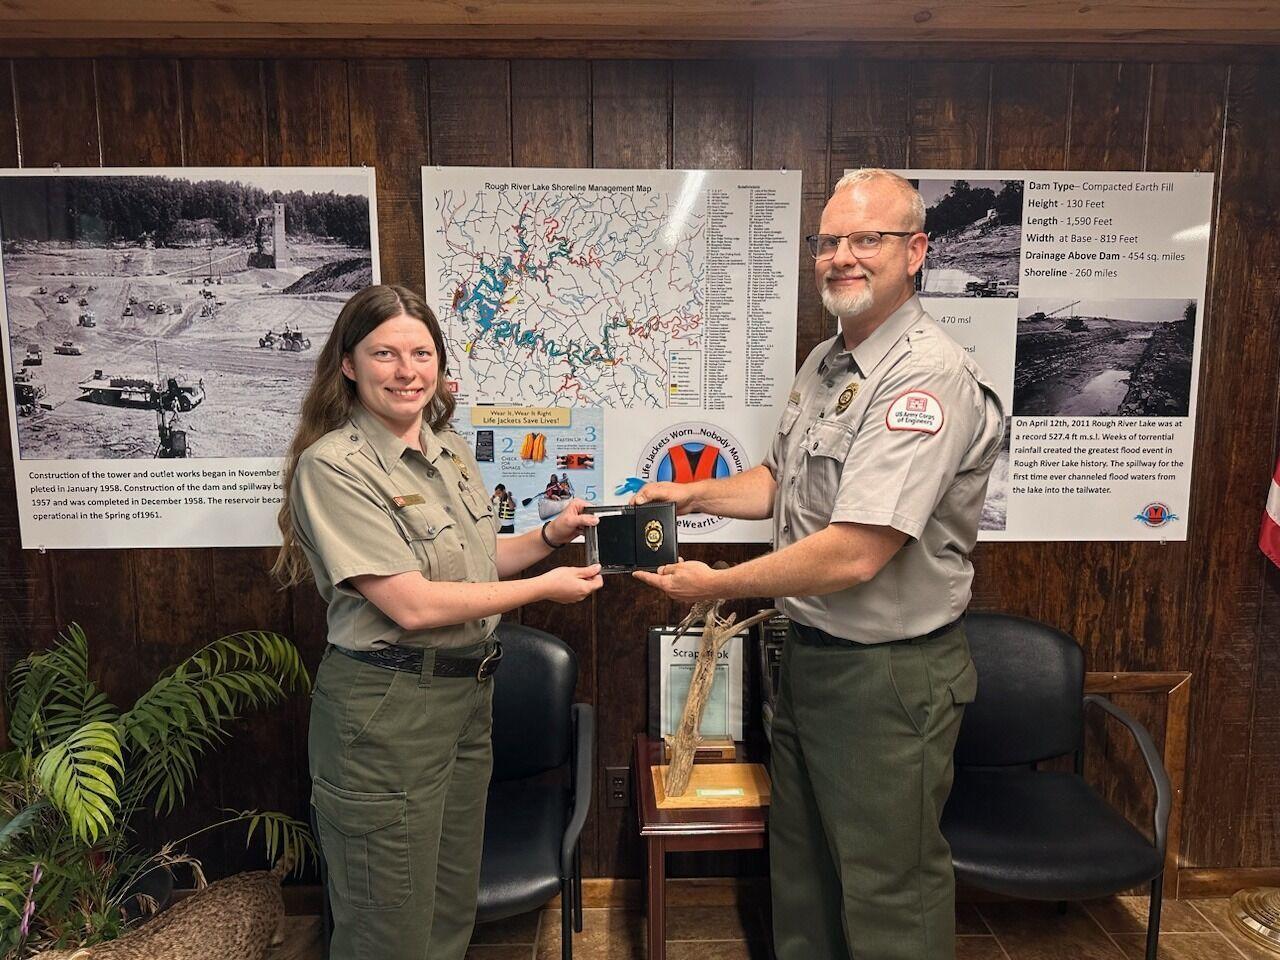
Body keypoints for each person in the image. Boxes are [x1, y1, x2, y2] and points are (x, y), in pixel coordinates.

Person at [633, 169, 1004, 960]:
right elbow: (777, 479)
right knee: (803, 876)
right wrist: (687, 492)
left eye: (865, 239)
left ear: (915, 252)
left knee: (885, 892)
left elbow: (857, 551)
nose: (842, 256)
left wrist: (717, 586)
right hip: (806, 660)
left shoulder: (924, 376)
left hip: (885, 676)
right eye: (829, 240)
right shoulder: (827, 362)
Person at [272, 284, 603, 960]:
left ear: (440, 365)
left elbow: (474, 564)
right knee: (385, 928)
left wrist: (548, 537)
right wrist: (542, 590)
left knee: (450, 911)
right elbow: (413, 603)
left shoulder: (446, 447)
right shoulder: (333, 467)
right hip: (387, 713)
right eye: (385, 353)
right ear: (348, 364)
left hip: (464, 703)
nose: (406, 370)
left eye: (421, 353)